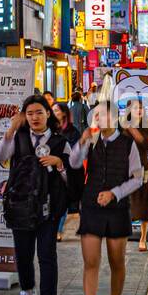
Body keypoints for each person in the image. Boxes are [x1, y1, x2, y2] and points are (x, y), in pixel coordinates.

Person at [0, 95, 71, 295]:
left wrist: (58, 162)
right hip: (20, 205)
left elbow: (72, 176)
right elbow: (0, 158)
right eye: (29, 113)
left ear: (48, 113)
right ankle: (26, 293)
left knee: (47, 255)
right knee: (23, 253)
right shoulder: (18, 137)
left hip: (49, 207)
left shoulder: (60, 141)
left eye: (39, 112)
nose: (34, 117)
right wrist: (10, 130)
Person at [70, 102, 145, 295]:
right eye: (96, 115)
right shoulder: (91, 140)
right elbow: (74, 163)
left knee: (116, 260)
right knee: (90, 260)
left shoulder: (127, 143)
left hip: (117, 208)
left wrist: (114, 193)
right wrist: (82, 141)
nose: (99, 119)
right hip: (91, 204)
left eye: (104, 115)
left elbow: (137, 178)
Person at [121, 98, 148, 252]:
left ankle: (143, 238)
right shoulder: (121, 125)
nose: (139, 110)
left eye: (141, 107)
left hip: (143, 168)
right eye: (135, 107)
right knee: (124, 203)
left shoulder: (146, 125)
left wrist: (136, 133)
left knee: (145, 201)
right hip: (125, 169)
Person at [52, 100, 84, 239]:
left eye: (56, 111)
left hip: (70, 171)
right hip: (53, 170)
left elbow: (76, 153)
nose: (54, 113)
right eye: (52, 111)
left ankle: (58, 231)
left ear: (64, 113)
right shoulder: (50, 129)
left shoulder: (73, 131)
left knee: (63, 200)